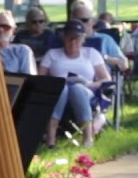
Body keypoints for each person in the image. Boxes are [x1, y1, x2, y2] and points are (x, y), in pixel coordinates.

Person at [40, 19, 110, 147]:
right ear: (63, 38)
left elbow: (106, 79)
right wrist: (56, 83)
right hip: (58, 91)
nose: (73, 42)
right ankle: (51, 140)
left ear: (83, 39)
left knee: (77, 88)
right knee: (63, 89)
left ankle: (88, 139)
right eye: (69, 38)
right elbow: (40, 78)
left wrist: (89, 84)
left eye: (77, 38)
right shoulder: (52, 54)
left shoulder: (91, 53)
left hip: (86, 90)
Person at [0, 10, 36, 75]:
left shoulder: (21, 50)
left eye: (6, 27)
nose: (0, 30)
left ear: (13, 30)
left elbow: (29, 80)